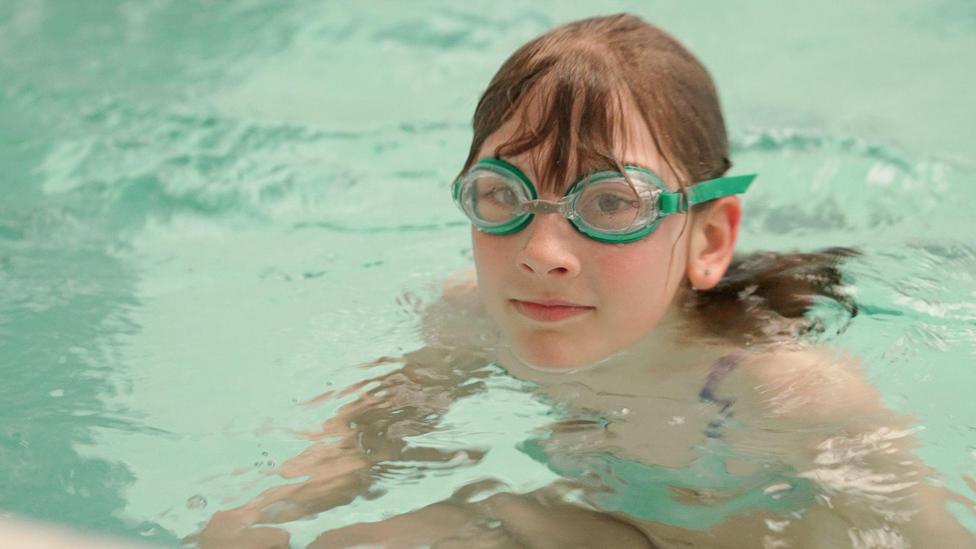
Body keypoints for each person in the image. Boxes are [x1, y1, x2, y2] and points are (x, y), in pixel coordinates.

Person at [196, 14, 975, 548]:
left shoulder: (780, 390)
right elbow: (369, 438)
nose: (542, 251)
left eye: (611, 204)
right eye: (502, 195)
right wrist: (258, 513)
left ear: (710, 238)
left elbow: (926, 532)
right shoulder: (474, 318)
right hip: (615, 523)